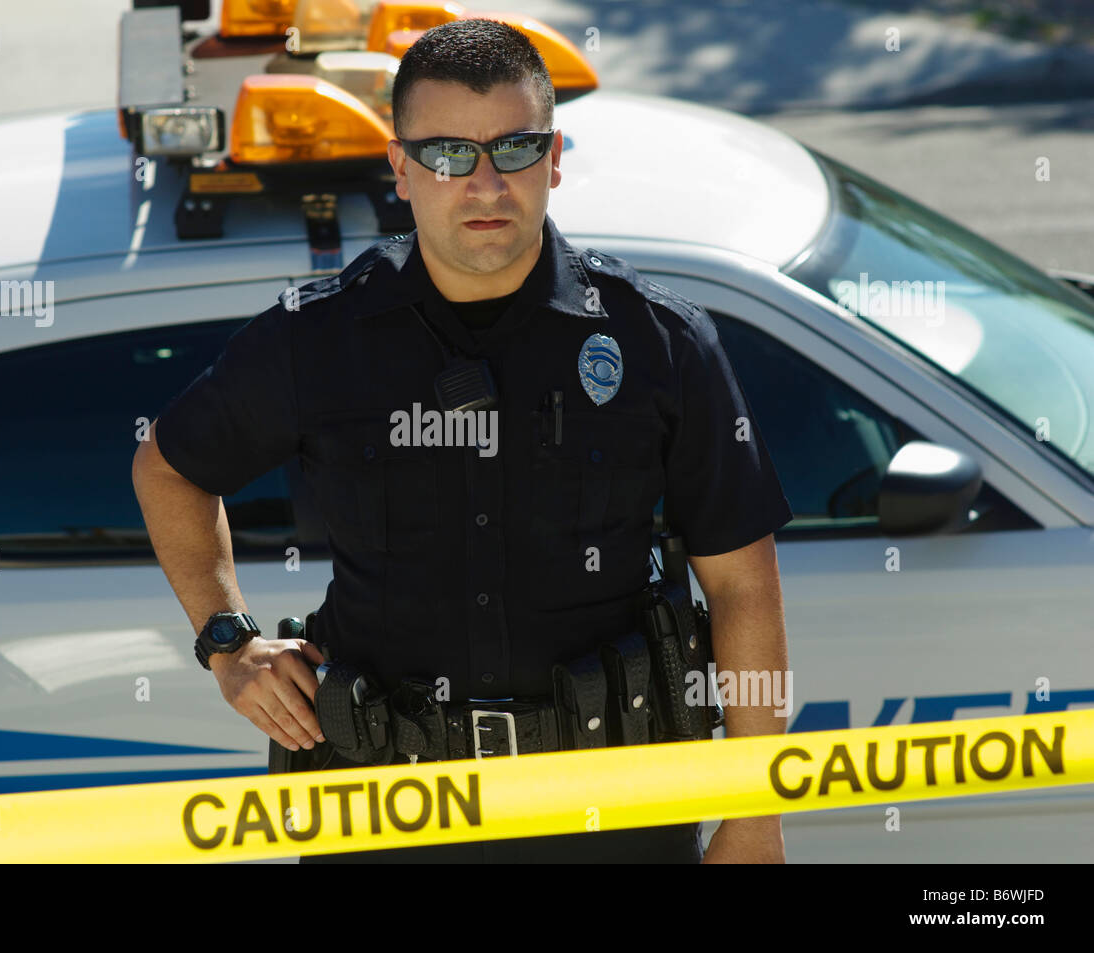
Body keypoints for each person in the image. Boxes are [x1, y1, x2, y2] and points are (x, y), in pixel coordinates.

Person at [132, 18, 793, 864]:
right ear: (400, 169)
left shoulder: (659, 342)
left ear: (555, 159)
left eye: (514, 149)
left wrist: (754, 815)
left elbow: (742, 585)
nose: (485, 184)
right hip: (384, 817)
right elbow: (168, 468)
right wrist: (229, 641)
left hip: (612, 815)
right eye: (447, 154)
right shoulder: (317, 340)